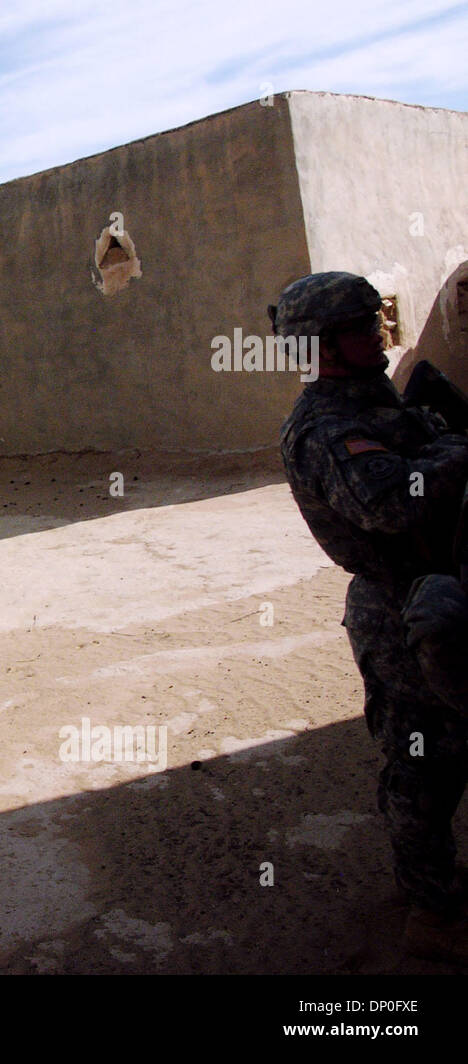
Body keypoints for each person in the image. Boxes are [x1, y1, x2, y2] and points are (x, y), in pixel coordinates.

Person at [278, 271, 468, 963]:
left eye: (377, 319)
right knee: (424, 764)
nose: (378, 333)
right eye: (361, 326)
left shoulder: (378, 397)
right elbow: (391, 504)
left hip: (441, 586)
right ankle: (432, 911)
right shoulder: (326, 427)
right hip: (396, 609)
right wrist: (458, 454)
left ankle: (435, 880)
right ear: (322, 346)